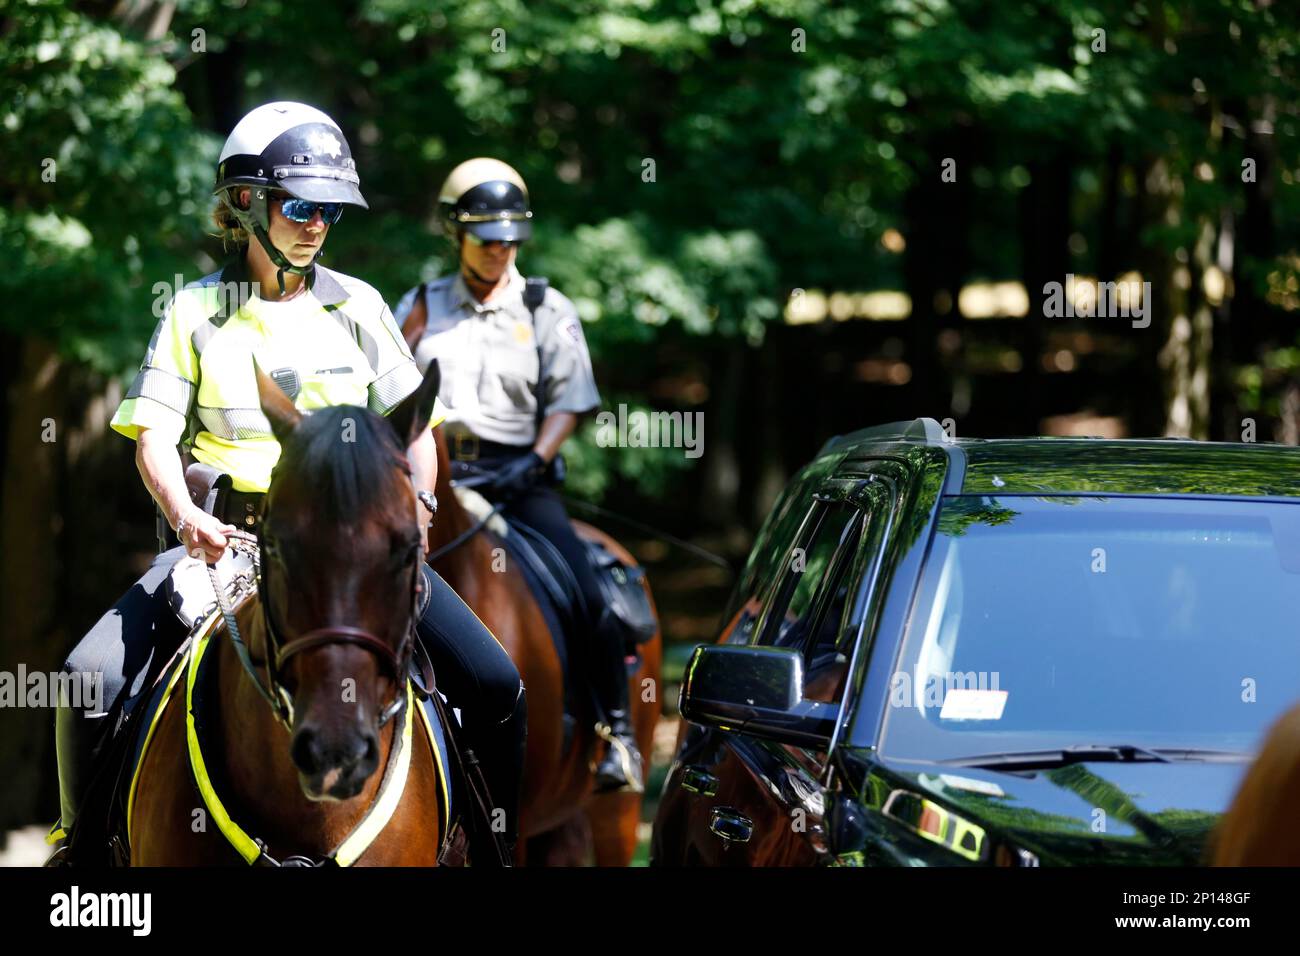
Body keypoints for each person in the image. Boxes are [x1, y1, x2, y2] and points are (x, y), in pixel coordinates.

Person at [49, 103, 525, 865]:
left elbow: (416, 430)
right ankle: (86, 858)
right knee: (87, 677)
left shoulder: (359, 304)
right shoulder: (194, 309)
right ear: (245, 203)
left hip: (356, 551)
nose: (317, 225)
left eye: (330, 210)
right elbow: (155, 439)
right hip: (224, 543)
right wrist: (183, 518)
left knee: (497, 682)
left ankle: (495, 850)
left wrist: (422, 505)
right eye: (301, 205)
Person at [393, 158, 642, 792]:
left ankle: (617, 731)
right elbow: (392, 397)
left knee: (588, 593)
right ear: (456, 234)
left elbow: (571, 399)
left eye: (511, 239)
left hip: (520, 477)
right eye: (486, 238)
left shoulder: (545, 305)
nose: (501, 250)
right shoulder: (418, 308)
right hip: (436, 473)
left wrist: (533, 461)